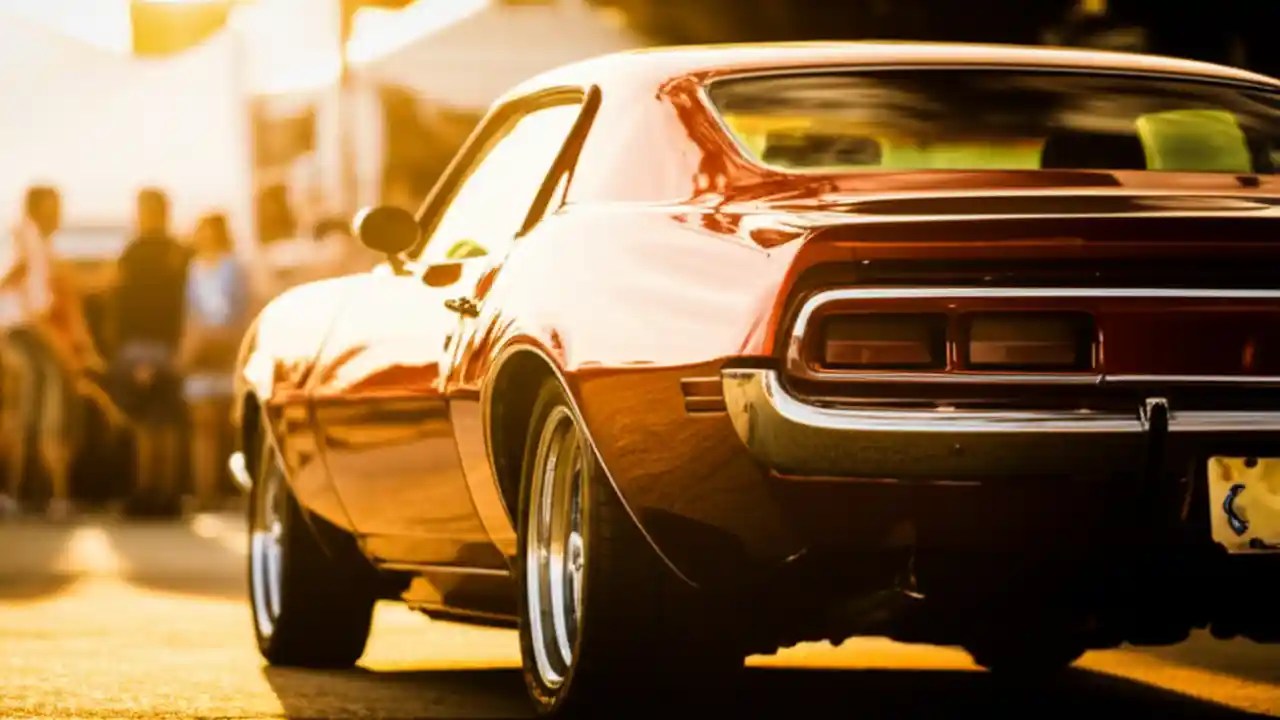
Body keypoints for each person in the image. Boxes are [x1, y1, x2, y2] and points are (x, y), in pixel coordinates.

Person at [0, 186, 113, 520]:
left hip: (26, 334)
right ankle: (48, 496)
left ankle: (22, 493)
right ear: (37, 209)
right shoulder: (27, 239)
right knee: (49, 411)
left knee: (31, 413)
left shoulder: (36, 244)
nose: (60, 214)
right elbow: (26, 292)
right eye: (54, 207)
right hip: (30, 334)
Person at [109, 188, 190, 516]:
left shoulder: (133, 253)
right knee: (163, 422)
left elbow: (120, 303)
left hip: (141, 347)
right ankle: (164, 494)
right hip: (167, 347)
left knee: (146, 423)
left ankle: (147, 493)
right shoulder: (179, 252)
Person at [176, 214, 249, 511]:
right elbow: (190, 310)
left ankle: (229, 490)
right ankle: (204, 491)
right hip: (201, 348)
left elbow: (239, 306)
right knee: (202, 422)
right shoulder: (193, 268)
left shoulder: (233, 267)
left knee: (228, 423)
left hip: (226, 345)